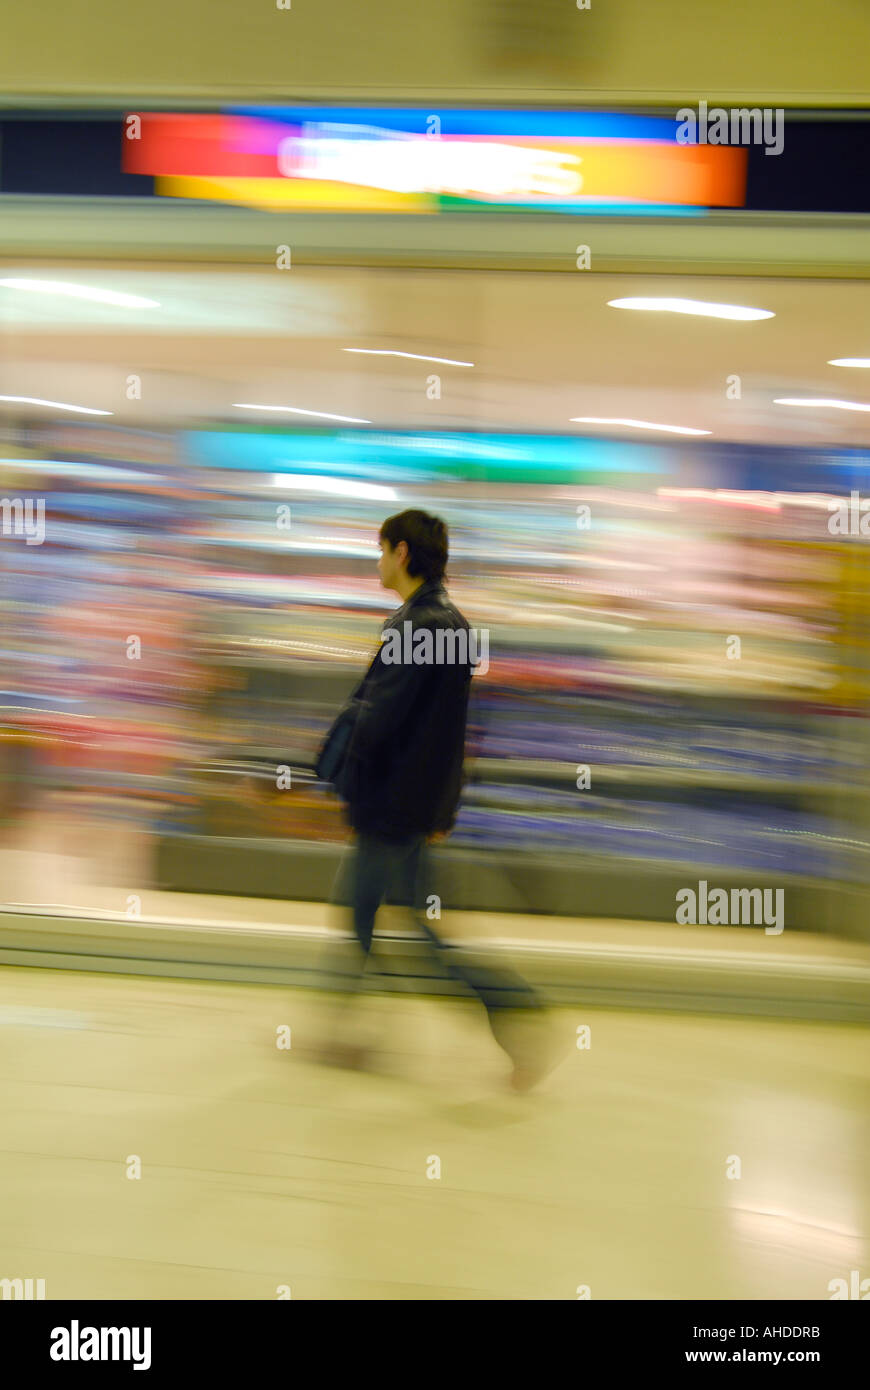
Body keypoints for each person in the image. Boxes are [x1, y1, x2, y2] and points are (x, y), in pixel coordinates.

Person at [316, 509, 562, 1092]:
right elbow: (453, 735)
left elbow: (382, 724)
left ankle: (515, 1013)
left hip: (391, 808)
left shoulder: (421, 627)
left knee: (401, 932)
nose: (377, 561)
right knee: (367, 916)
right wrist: (443, 808)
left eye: (380, 550)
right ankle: (356, 1036)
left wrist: (343, 783)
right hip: (409, 807)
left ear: (402, 553)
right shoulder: (446, 624)